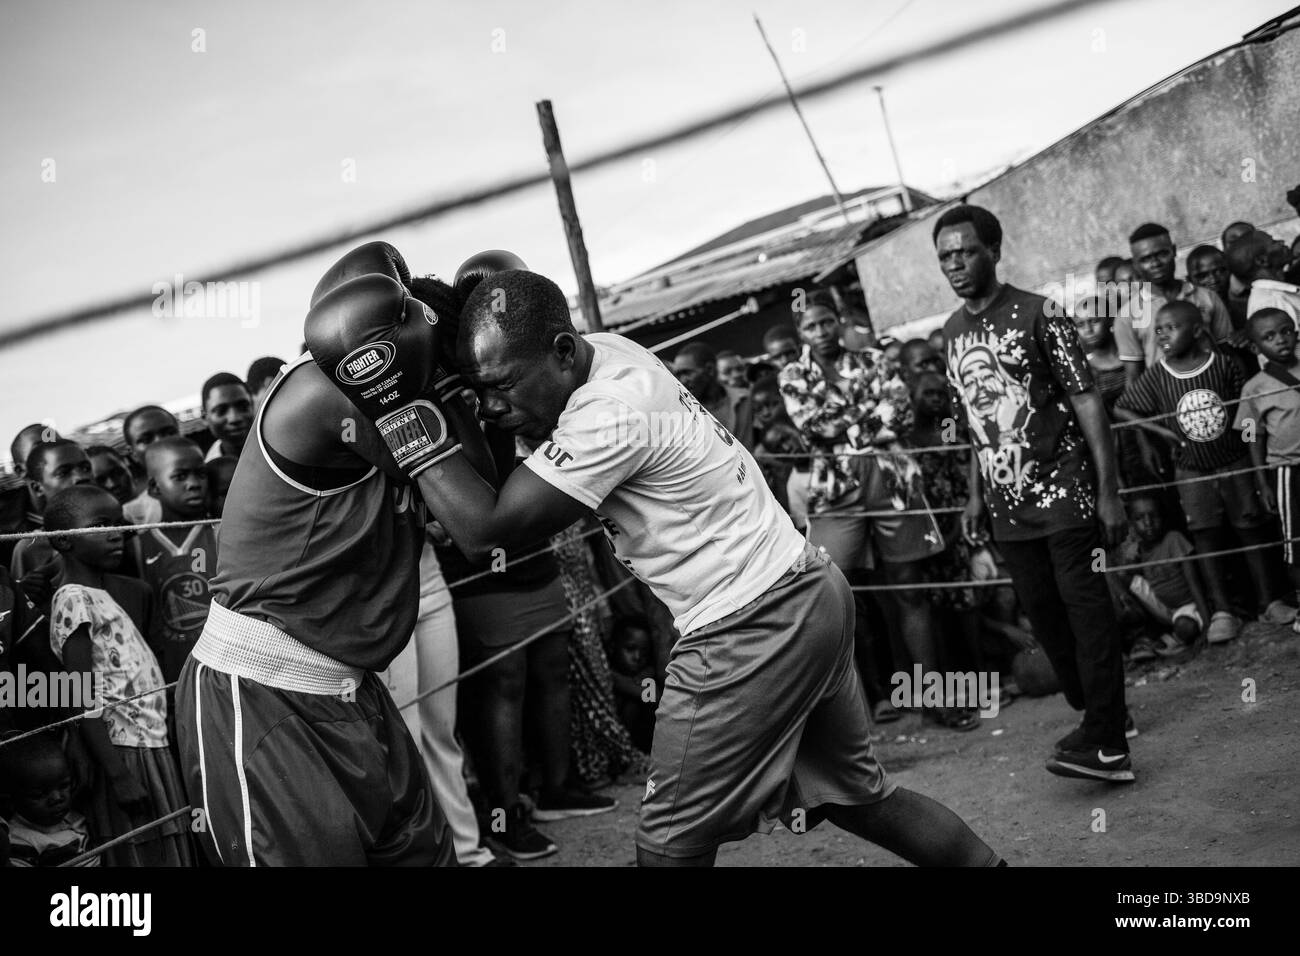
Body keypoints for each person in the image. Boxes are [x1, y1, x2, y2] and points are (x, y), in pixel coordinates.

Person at [344, 266, 1003, 867]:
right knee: (860, 800)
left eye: (500, 388)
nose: (492, 406)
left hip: (747, 624)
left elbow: (486, 527)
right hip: (805, 587)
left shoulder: (608, 415)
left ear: (562, 353)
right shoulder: (604, 352)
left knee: (666, 848)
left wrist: (396, 407)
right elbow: (504, 450)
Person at [175, 241, 512, 866]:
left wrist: (460, 392)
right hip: (263, 689)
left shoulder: (403, 398)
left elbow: (485, 495)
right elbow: (481, 523)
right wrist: (447, 390)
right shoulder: (322, 393)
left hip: (351, 687)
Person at [935, 204, 1133, 782]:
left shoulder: (1039, 314)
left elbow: (1087, 399)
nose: (956, 264)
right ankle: (1098, 710)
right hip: (1006, 507)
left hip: (1067, 493)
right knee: (1045, 620)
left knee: (1087, 612)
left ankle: (1109, 743)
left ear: (994, 251)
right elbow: (975, 423)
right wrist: (974, 495)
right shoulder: (952, 332)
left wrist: (1109, 490)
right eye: (945, 256)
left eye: (967, 251)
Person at [780, 296, 956, 729]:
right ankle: (861, 707)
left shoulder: (873, 358)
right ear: (801, 334)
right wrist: (865, 418)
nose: (821, 332)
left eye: (826, 323)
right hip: (835, 491)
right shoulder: (792, 375)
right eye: (811, 327)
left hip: (892, 482)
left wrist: (844, 425)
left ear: (838, 324)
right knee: (836, 597)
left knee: (910, 588)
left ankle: (934, 696)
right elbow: (813, 427)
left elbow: (899, 413)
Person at [436, 454, 616, 862]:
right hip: (477, 567)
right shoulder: (433, 414)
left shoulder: (497, 404)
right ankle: (505, 814)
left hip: (532, 556)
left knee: (554, 667)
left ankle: (556, 788)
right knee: (503, 680)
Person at [1113, 300, 1290, 639]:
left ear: (1196, 331)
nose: (1163, 335)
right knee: (1206, 538)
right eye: (1159, 329)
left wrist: (1254, 463)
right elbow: (1122, 409)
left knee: (1250, 531)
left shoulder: (1224, 365)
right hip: (1191, 471)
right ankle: (1223, 612)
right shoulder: (1157, 375)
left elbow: (1249, 410)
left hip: (1235, 462)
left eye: (1171, 327)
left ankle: (1268, 602)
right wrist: (1160, 431)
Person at [46, 485, 192, 866]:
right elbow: (79, 694)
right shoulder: (73, 598)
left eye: (119, 523)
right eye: (100, 524)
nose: (117, 533)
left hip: (149, 740)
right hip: (122, 749)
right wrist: (117, 774)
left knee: (167, 842)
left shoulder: (107, 594)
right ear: (63, 540)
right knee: (143, 850)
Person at [378, 538, 500, 867]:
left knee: (442, 731)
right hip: (377, 594)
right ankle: (424, 856)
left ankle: (467, 850)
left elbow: (451, 530)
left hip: (429, 580)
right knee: (407, 739)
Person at [1234, 308, 1300, 633]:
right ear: (1256, 347)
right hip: (1287, 472)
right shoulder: (1254, 388)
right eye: (1269, 337)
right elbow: (1252, 437)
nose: (1281, 341)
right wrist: (1264, 483)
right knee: (1294, 542)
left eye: (1286, 331)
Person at [132, 437, 216, 684]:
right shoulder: (137, 546)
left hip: (229, 670)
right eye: (180, 477)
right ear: (154, 487)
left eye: (200, 474)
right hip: (173, 678)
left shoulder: (221, 532)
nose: (193, 484)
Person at [1114, 223, 1234, 384]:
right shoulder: (1127, 316)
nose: (1156, 263)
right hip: (1167, 398)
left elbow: (1229, 353)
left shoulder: (1207, 297)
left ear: (1174, 251)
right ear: (1135, 264)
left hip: (1215, 387)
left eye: (1162, 254)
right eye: (1146, 259)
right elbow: (1134, 377)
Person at [1114, 493, 1211, 659]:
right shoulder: (1139, 550)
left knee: (1185, 627)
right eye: (1140, 518)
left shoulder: (1174, 539)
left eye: (1154, 516)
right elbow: (1128, 578)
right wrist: (1131, 560)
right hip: (1162, 608)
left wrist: (1207, 623)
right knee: (1121, 575)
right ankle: (1148, 633)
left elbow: (1195, 583)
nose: (1148, 523)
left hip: (1187, 607)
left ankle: (1172, 638)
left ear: (1163, 517)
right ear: (1131, 523)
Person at [0, 734, 99, 867]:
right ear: (11, 801)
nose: (57, 798)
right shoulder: (19, 841)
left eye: (64, 786)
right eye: (40, 795)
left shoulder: (76, 817)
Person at [11, 440, 93, 579]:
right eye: (64, 473)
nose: (80, 477)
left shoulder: (121, 525)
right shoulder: (31, 547)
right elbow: (21, 598)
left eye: (86, 468)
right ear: (38, 488)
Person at [672, 341, 754, 450]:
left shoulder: (745, 399)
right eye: (678, 375)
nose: (682, 381)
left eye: (687, 373)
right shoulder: (683, 416)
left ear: (710, 370)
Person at [1226, 230, 1300, 328]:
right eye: (1274, 242)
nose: (1281, 242)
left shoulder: (1275, 295)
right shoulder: (1273, 301)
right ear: (1262, 261)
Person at [121, 405, 181, 526]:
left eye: (169, 433)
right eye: (146, 439)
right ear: (132, 453)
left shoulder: (219, 485)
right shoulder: (132, 516)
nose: (160, 442)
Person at [607, 614, 658, 752]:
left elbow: (651, 698)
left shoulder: (647, 676)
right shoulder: (603, 673)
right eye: (630, 649)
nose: (637, 657)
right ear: (613, 647)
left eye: (644, 652)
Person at [1187, 245, 1245, 329]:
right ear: (1190, 280)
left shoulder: (1247, 299)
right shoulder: (1191, 313)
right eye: (1202, 276)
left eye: (1220, 271)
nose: (1213, 280)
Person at [200, 373, 253, 462]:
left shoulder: (281, 446)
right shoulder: (208, 472)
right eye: (221, 411)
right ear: (205, 418)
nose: (234, 418)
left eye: (243, 407)